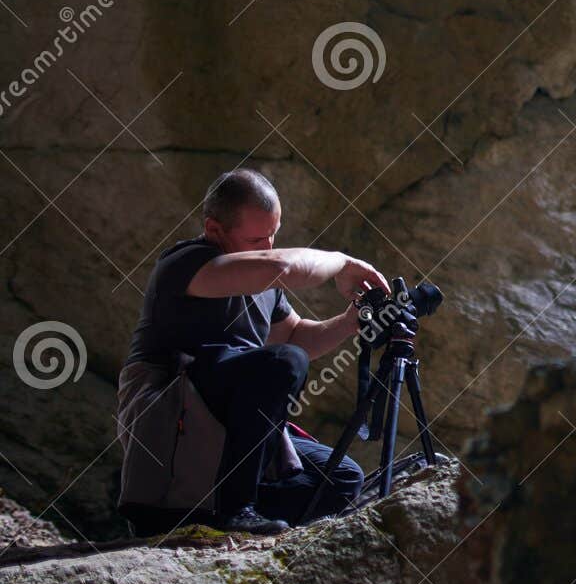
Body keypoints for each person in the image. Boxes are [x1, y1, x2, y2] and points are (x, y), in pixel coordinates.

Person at [119, 168, 390, 536]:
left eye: (273, 234)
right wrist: (341, 263)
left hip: (230, 416)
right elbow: (282, 268)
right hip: (177, 409)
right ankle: (234, 508)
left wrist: (349, 321)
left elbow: (294, 336)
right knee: (282, 363)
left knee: (342, 477)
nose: (268, 244)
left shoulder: (266, 286)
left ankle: (219, 513)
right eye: (256, 238)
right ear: (215, 230)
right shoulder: (186, 263)